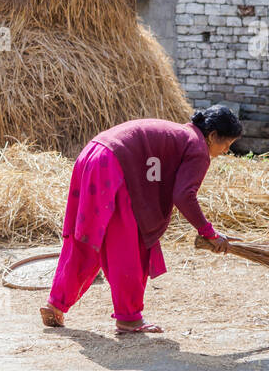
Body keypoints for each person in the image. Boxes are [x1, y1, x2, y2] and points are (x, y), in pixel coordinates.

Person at [41, 106, 242, 334]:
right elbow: (184, 195)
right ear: (212, 135)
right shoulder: (197, 147)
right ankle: (129, 318)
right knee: (128, 247)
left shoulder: (181, 136)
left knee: (87, 238)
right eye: (227, 144)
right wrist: (209, 233)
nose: (227, 150)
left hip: (92, 155)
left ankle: (55, 304)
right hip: (112, 165)